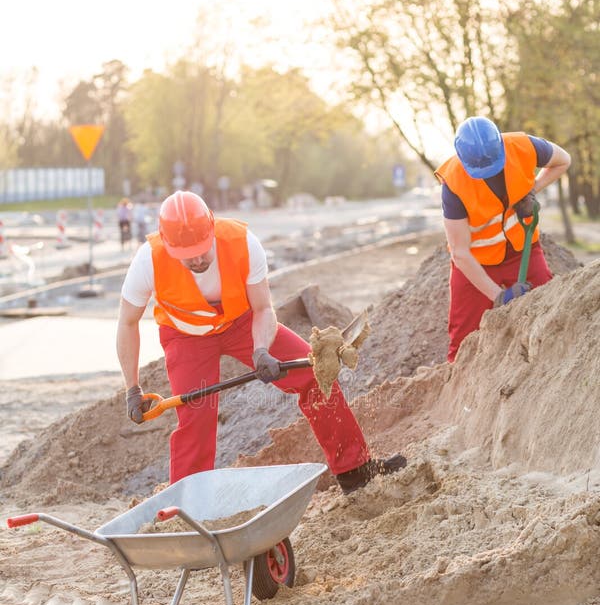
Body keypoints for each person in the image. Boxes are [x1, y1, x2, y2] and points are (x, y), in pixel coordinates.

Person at [116, 190, 407, 493]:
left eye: (202, 250)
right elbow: (127, 323)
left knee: (314, 375)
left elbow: (263, 308)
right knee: (195, 414)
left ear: (212, 229)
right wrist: (132, 389)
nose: (198, 259)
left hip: (243, 321)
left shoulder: (243, 242)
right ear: (168, 244)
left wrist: (261, 351)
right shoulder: (148, 260)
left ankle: (355, 471)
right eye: (188, 255)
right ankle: (187, 504)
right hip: (186, 334)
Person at [434, 117, 571, 362]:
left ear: (500, 144)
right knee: (463, 339)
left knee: (550, 312)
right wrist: (499, 296)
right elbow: (459, 252)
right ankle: (457, 381)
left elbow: (563, 160)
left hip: (522, 250)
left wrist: (532, 190)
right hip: (476, 264)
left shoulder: (523, 146)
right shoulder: (453, 183)